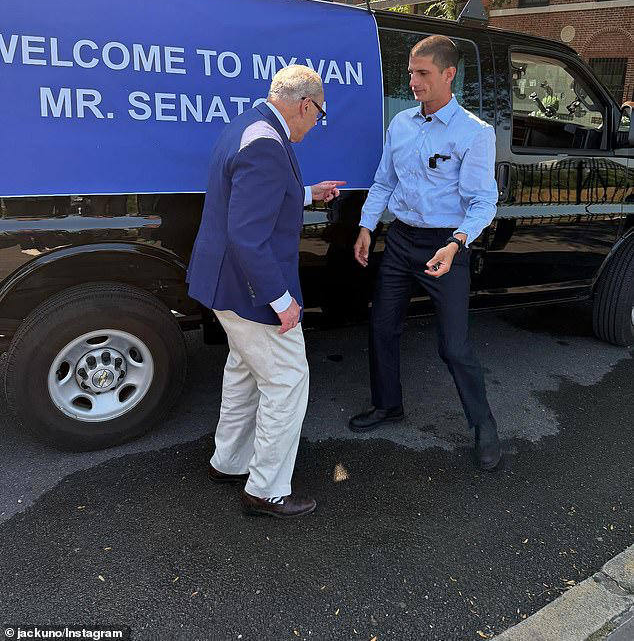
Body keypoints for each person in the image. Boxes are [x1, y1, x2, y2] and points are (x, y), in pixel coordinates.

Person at [187, 65, 344, 518]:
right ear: (305, 104)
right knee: (287, 379)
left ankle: (229, 461)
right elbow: (247, 234)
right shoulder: (268, 146)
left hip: (223, 286)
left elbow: (245, 199)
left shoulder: (247, 125)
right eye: (319, 117)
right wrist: (281, 300)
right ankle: (267, 490)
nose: (315, 126)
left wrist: (307, 194)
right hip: (250, 289)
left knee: (243, 368)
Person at [349, 35, 502, 470]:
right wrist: (366, 226)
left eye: (423, 74)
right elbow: (384, 182)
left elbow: (483, 202)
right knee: (381, 327)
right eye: (411, 73)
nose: (413, 82)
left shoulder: (474, 133)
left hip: (445, 247)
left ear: (448, 74)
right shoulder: (401, 124)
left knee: (454, 346)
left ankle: (483, 427)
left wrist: (456, 244)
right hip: (400, 241)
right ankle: (387, 405)